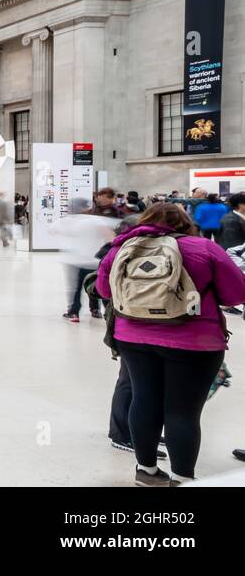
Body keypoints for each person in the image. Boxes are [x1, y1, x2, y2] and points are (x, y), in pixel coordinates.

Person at [96, 203, 245, 485]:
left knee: (143, 400)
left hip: (132, 338)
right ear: (184, 222)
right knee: (182, 410)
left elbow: (105, 290)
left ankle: (146, 471)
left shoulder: (121, 247)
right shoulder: (203, 247)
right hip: (193, 341)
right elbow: (236, 293)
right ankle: (181, 478)